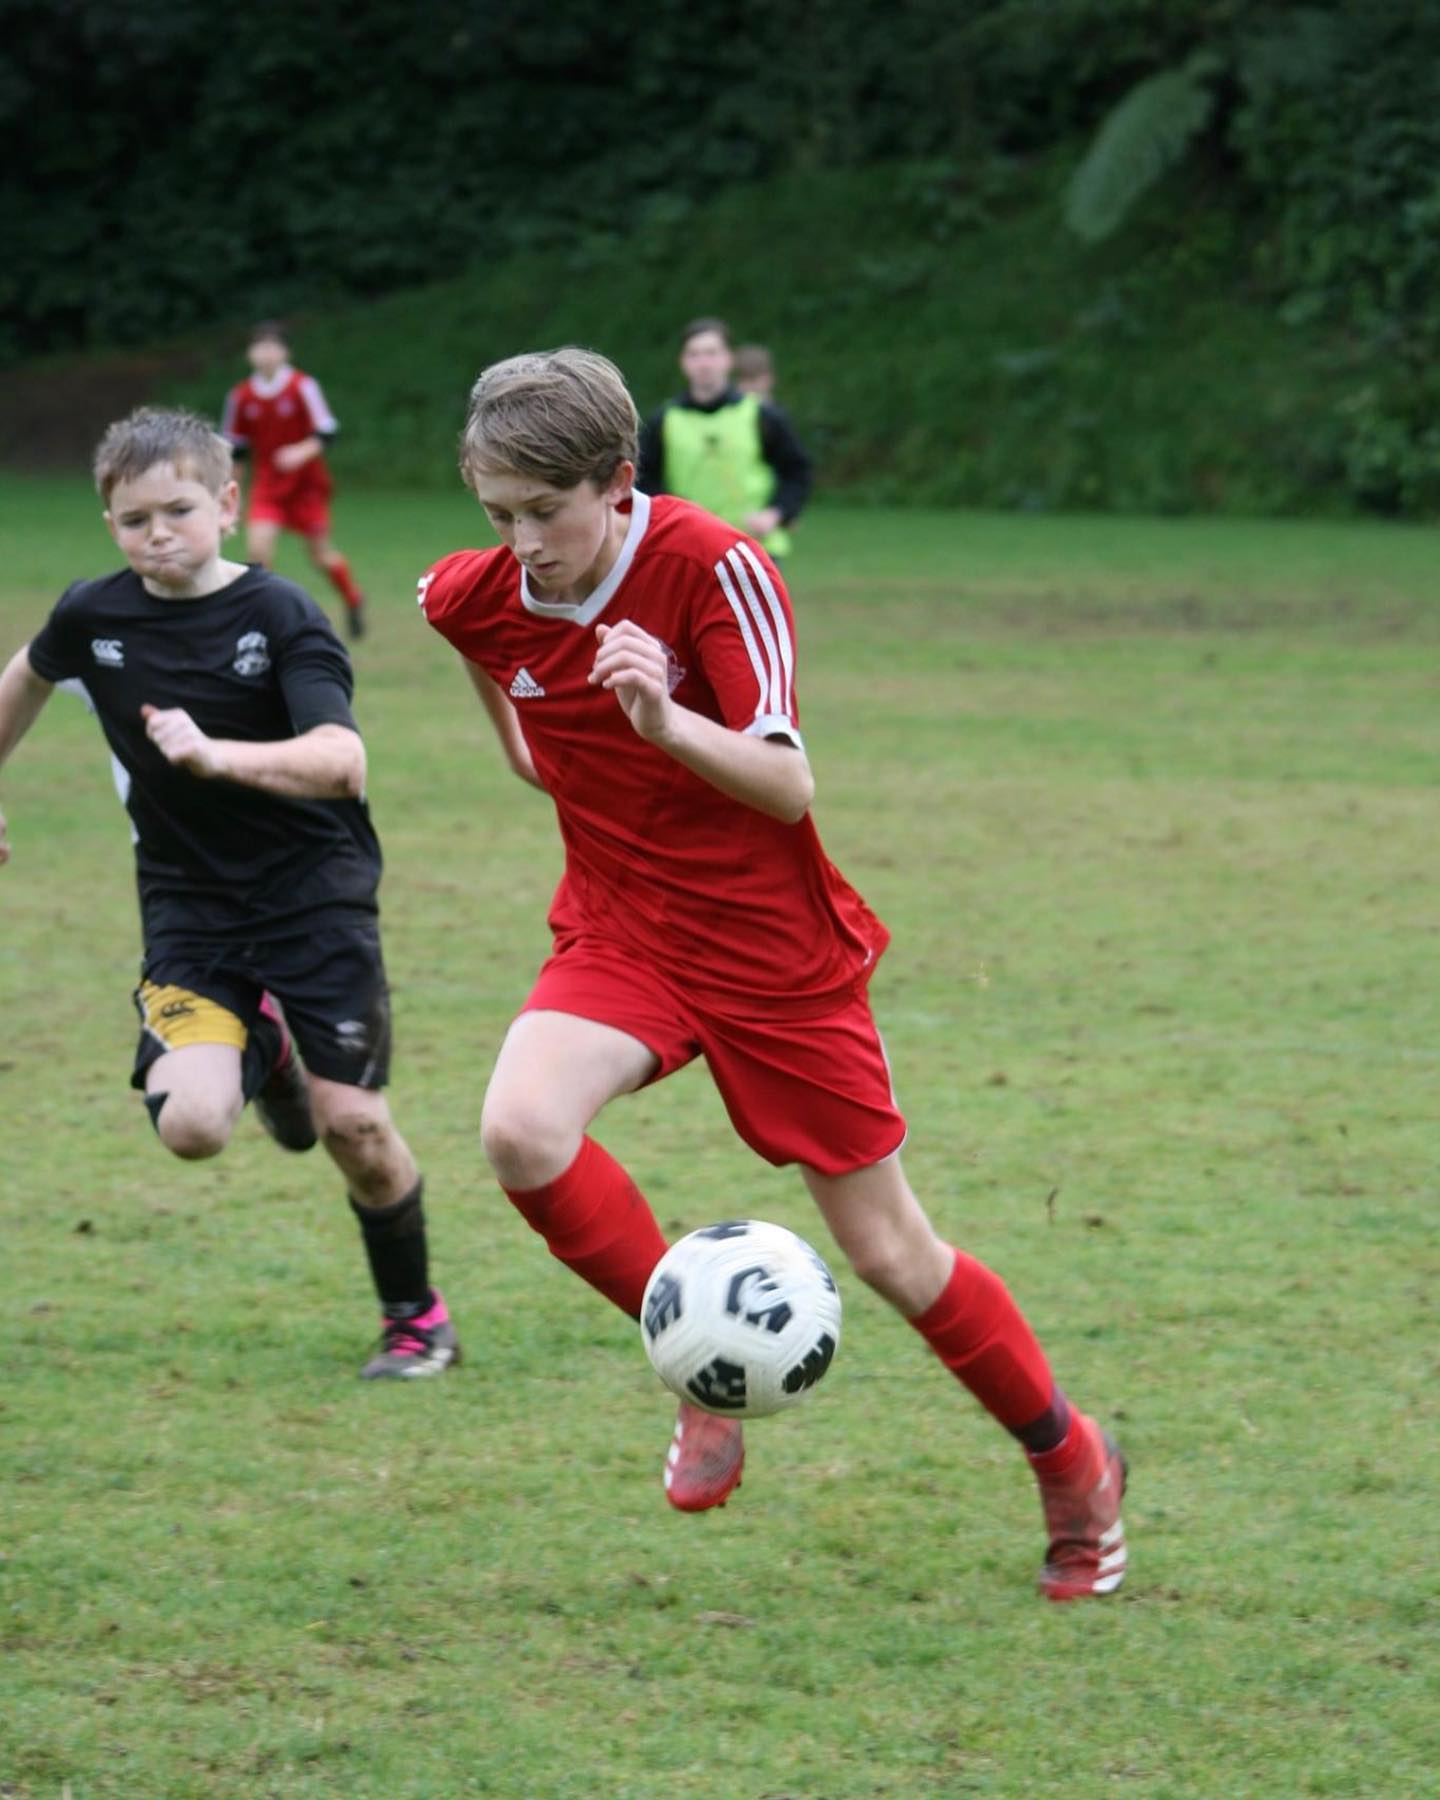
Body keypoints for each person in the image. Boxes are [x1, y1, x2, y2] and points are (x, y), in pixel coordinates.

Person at [417, 348, 1127, 1600]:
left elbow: (788, 779)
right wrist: (558, 743)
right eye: (499, 515)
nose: (523, 543)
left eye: (547, 512)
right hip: (625, 933)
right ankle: (702, 1365)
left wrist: (661, 724)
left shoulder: (713, 568)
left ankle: (1072, 1462)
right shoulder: (472, 596)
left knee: (895, 1256)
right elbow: (519, 730)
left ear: (620, 482)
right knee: (522, 1131)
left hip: (774, 960)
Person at [0, 407, 458, 1382]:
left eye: (177, 510)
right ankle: (268, 1049)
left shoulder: (281, 615)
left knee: (358, 1131)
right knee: (195, 1127)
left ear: (226, 503)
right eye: (132, 520)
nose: (156, 534)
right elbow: (27, 680)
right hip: (190, 911)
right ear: (109, 525)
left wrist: (218, 756)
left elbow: (344, 760)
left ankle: (417, 1318)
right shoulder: (95, 616)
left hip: (315, 899)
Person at [221, 323, 368, 640]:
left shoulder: (302, 386)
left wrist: (301, 452)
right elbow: (238, 451)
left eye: (272, 346)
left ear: (285, 352)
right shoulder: (241, 396)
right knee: (257, 553)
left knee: (320, 556)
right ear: (250, 354)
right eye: (259, 347)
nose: (266, 353)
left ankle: (353, 599)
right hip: (268, 487)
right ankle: (265, 621)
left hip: (306, 487)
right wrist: (233, 495)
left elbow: (327, 431)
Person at [636, 317, 812, 563]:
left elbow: (797, 471)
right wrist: (669, 520)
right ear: (683, 362)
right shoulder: (664, 420)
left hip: (755, 547)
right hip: (690, 549)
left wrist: (776, 513)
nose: (703, 363)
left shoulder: (761, 415)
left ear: (729, 359)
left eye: (711, 353)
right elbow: (643, 479)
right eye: (694, 354)